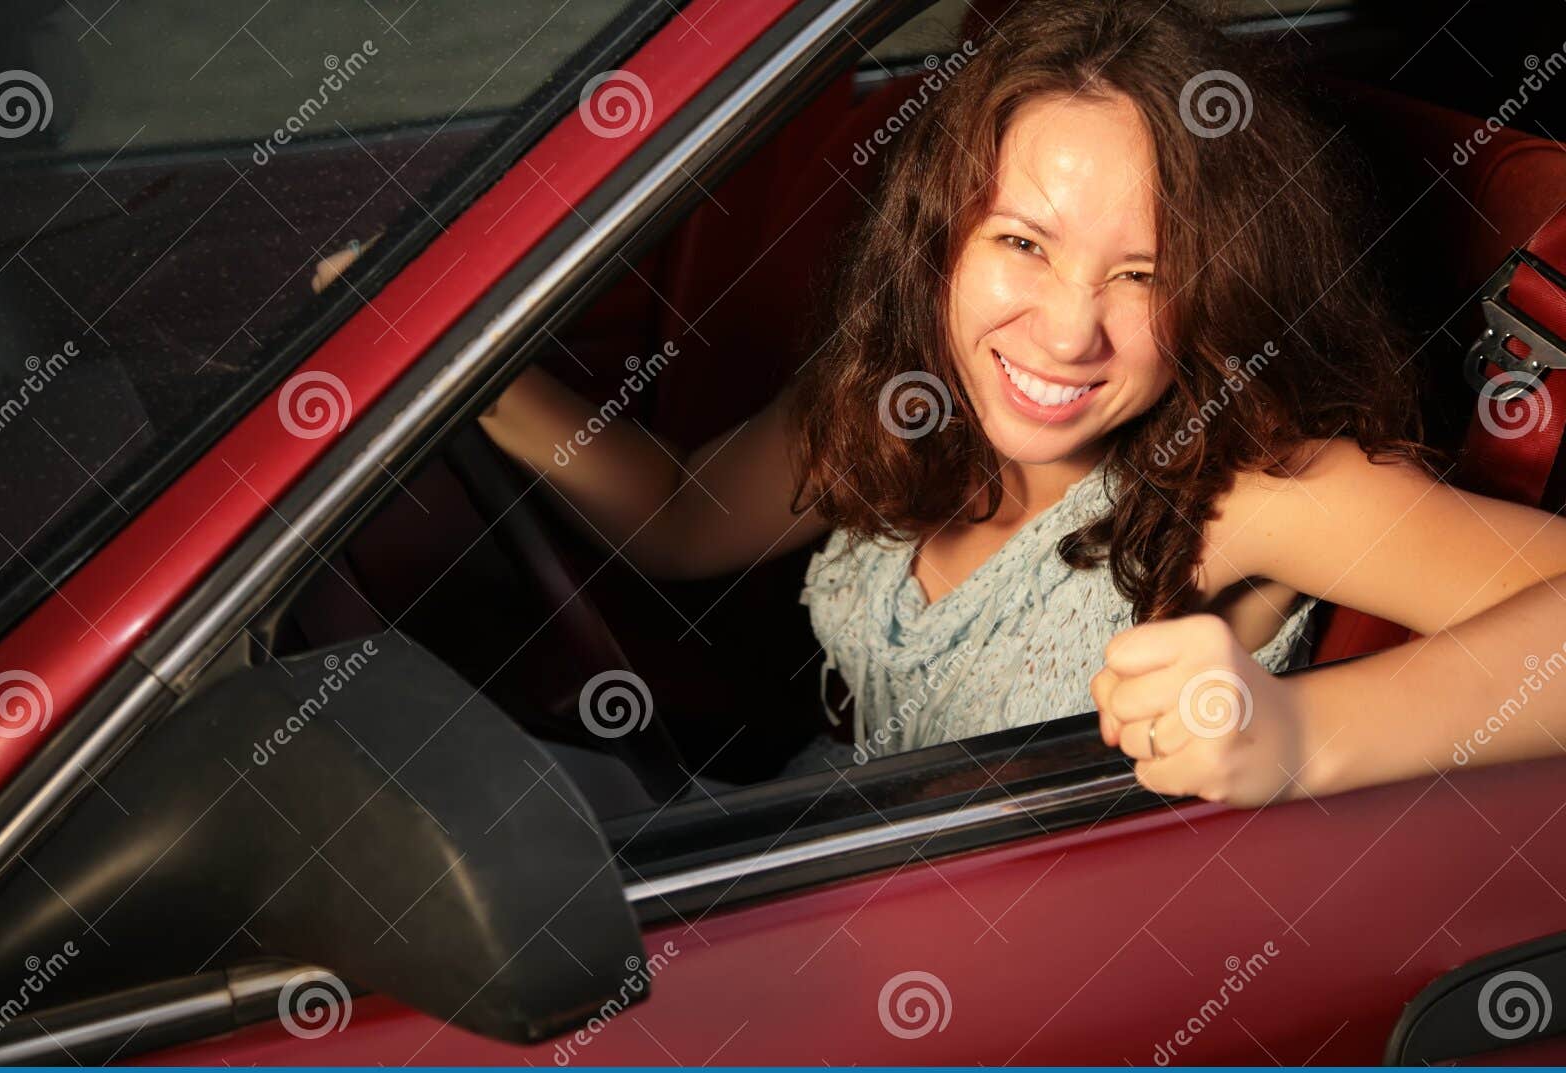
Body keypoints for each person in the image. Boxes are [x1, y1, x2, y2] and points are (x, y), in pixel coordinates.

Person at [480, 0, 1566, 808]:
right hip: (805, 850)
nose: (1063, 331)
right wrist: (446, 368)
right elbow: (680, 516)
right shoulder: (909, 394)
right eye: (1021, 243)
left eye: (1144, 275)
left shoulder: (1255, 484)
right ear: (941, 236)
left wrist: (1297, 733)